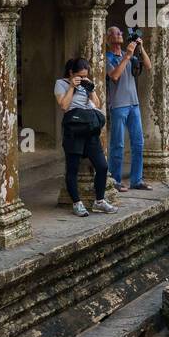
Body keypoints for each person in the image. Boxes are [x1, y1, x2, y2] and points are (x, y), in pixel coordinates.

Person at [56, 57, 116, 217]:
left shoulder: (86, 85)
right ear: (71, 73)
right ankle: (76, 203)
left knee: (102, 166)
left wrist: (91, 89)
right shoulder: (61, 83)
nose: (82, 79)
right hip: (74, 130)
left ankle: (100, 201)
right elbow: (63, 105)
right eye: (80, 76)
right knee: (73, 168)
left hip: (90, 129)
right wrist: (71, 87)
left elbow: (97, 105)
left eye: (85, 76)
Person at [105, 26, 152, 191]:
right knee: (117, 144)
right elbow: (115, 76)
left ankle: (136, 180)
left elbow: (148, 66)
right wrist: (127, 55)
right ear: (108, 38)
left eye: (121, 33)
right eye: (116, 33)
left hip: (134, 104)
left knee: (138, 143)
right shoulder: (107, 58)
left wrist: (140, 48)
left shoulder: (130, 55)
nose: (120, 35)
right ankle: (115, 180)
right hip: (118, 105)